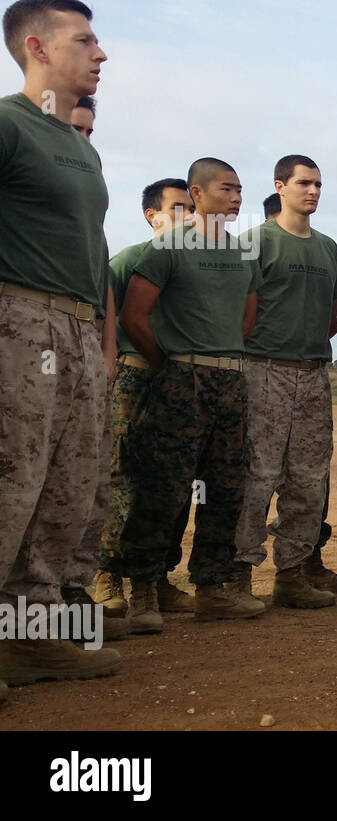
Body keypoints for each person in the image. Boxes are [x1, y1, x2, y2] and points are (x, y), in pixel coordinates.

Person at [0, 0, 122, 696]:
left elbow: (93, 256)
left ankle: (29, 636)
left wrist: (100, 344)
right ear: (39, 47)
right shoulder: (7, 125)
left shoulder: (82, 146)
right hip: (18, 320)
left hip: (77, 330)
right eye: (86, 41)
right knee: (10, 481)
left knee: (65, 489)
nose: (100, 55)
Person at [115, 157, 265, 626]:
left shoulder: (244, 252)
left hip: (230, 380)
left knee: (226, 485)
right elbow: (133, 316)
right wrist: (171, 365)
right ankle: (143, 591)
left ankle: (212, 587)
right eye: (226, 188)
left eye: (240, 189)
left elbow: (247, 316)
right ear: (197, 194)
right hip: (182, 377)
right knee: (165, 485)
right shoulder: (167, 247)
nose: (237, 197)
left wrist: (225, 357)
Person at [230, 155, 337, 609]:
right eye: (304, 183)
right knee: (258, 474)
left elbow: (336, 307)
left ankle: (293, 574)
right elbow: (242, 308)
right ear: (280, 186)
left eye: (318, 183)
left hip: (314, 372)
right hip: (263, 369)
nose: (313, 191)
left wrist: (311, 341)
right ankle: (239, 572)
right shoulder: (254, 242)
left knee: (308, 479)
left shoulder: (327, 247)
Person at [95, 178, 196, 631]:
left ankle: (155, 577)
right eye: (177, 209)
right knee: (122, 477)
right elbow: (106, 321)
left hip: (179, 379)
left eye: (192, 208)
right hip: (134, 375)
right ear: (151, 215)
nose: (188, 216)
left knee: (173, 482)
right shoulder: (129, 260)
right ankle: (108, 578)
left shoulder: (196, 263)